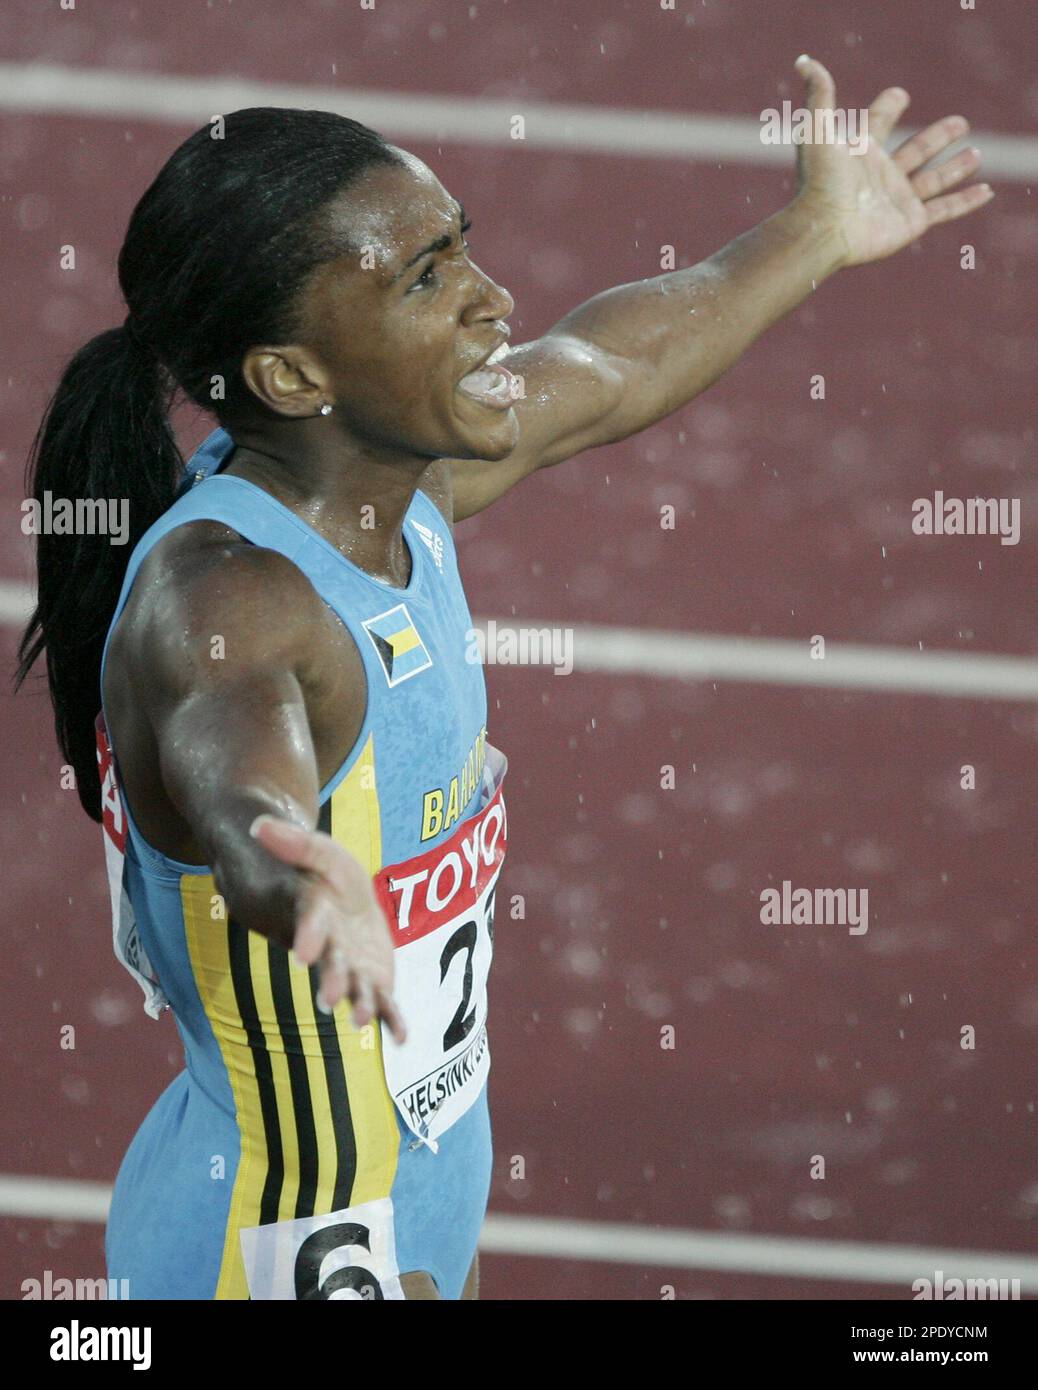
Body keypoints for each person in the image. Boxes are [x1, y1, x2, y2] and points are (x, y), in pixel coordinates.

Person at [15, 57, 991, 1300]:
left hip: (413, 1196)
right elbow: (234, 763)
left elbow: (610, 368)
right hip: (282, 1249)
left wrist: (816, 229)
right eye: (428, 279)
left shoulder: (390, 477)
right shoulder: (230, 597)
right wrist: (289, 864)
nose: (493, 299)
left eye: (459, 247)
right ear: (293, 375)